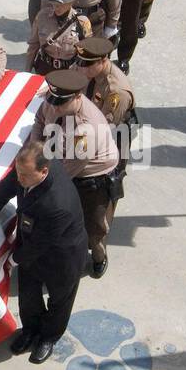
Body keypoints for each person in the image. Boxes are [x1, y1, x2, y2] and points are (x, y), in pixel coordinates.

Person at [0, 141, 88, 364]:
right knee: (28, 294)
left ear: (44, 171)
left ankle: (49, 337)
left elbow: (42, 243)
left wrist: (12, 259)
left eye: (25, 176)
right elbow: (4, 188)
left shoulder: (57, 203)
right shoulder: (27, 170)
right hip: (31, 244)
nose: (19, 180)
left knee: (60, 300)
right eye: (18, 172)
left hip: (62, 256)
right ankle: (30, 330)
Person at [31, 69, 122, 278]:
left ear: (78, 96)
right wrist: (36, 148)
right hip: (63, 159)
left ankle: (99, 257)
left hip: (91, 179)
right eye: (53, 101)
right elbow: (40, 119)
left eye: (61, 103)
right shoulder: (55, 101)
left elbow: (68, 170)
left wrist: (41, 182)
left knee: (92, 229)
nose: (55, 107)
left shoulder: (86, 129)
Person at [28, 0, 92, 74]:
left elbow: (87, 53)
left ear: (71, 2)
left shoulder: (82, 22)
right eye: (54, 2)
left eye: (62, 3)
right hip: (45, 69)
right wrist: (27, 71)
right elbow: (33, 45)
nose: (56, 7)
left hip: (69, 72)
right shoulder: (41, 17)